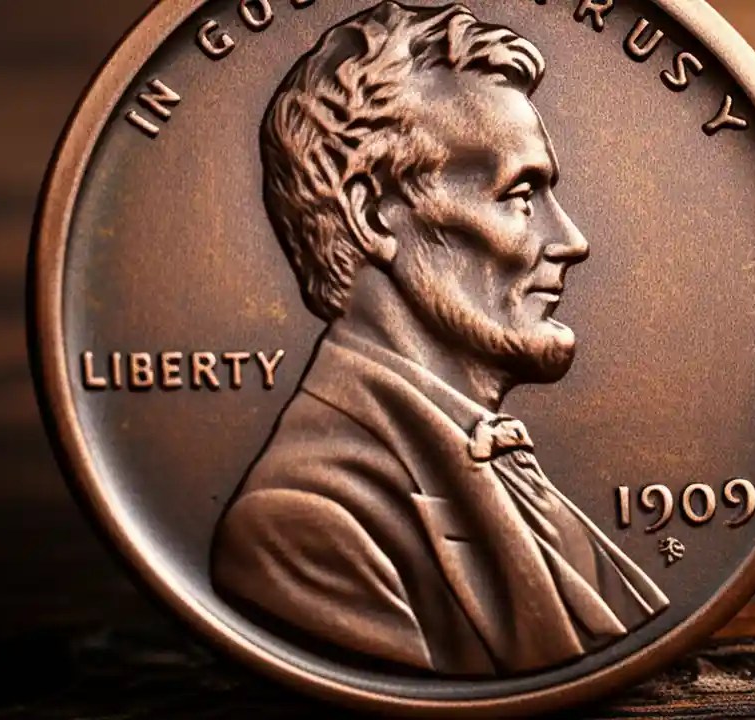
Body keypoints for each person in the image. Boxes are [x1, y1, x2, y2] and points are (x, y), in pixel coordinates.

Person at [211, 2, 668, 677]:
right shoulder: (301, 524)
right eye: (520, 195)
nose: (572, 240)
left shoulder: (498, 468)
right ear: (372, 214)